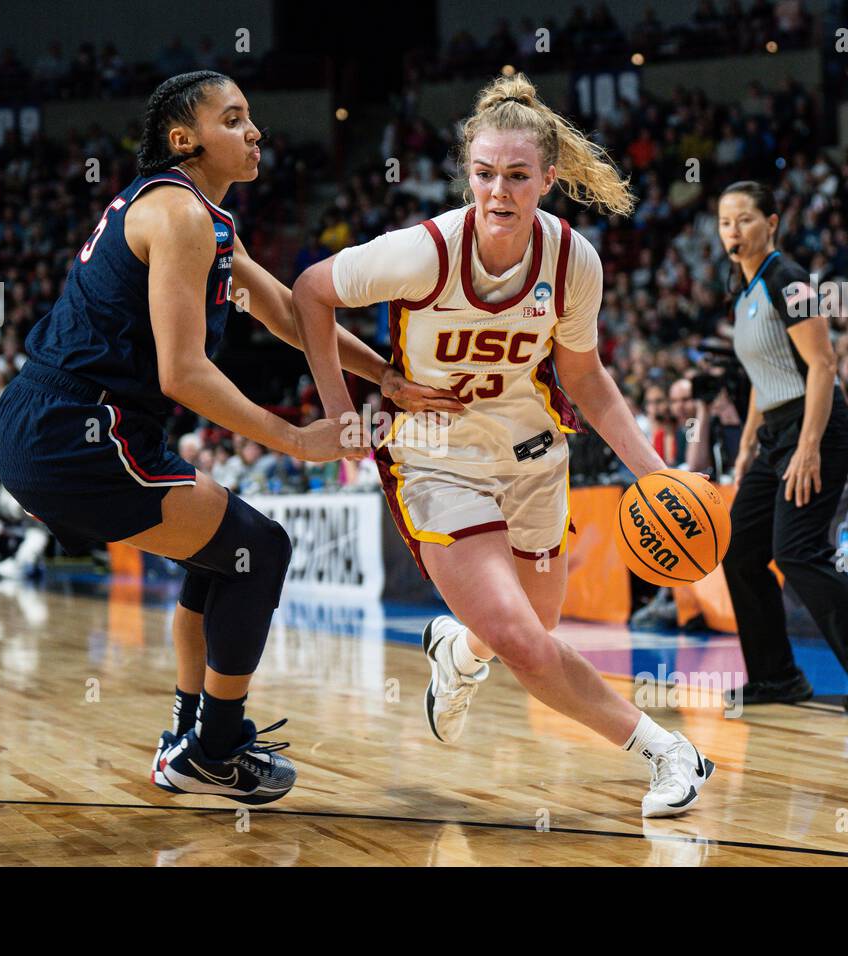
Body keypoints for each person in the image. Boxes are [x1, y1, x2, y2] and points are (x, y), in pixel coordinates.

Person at [0, 71, 453, 806]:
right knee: (260, 550)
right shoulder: (178, 216)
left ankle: (192, 733)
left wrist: (386, 377)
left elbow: (295, 319)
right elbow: (183, 374)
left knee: (227, 551)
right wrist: (297, 440)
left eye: (252, 119)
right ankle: (217, 746)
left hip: (64, 423)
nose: (255, 132)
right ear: (185, 140)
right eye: (233, 119)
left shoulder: (204, 220)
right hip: (76, 427)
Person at [292, 73, 717, 818]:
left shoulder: (571, 260)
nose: (498, 190)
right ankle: (669, 751)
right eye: (484, 173)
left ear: (548, 180)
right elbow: (310, 291)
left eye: (518, 176)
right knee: (522, 639)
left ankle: (456, 652)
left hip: (528, 448)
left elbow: (583, 376)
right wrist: (341, 413)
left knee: (534, 627)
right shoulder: (423, 253)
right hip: (434, 454)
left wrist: (658, 475)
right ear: (468, 175)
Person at [716, 180, 848, 714]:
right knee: (740, 553)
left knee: (798, 550)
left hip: (818, 427)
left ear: (773, 222)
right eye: (724, 222)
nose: (733, 231)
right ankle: (775, 677)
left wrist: (808, 447)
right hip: (774, 435)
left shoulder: (790, 280)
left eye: (744, 219)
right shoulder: (743, 291)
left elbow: (823, 366)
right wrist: (744, 450)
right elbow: (765, 376)